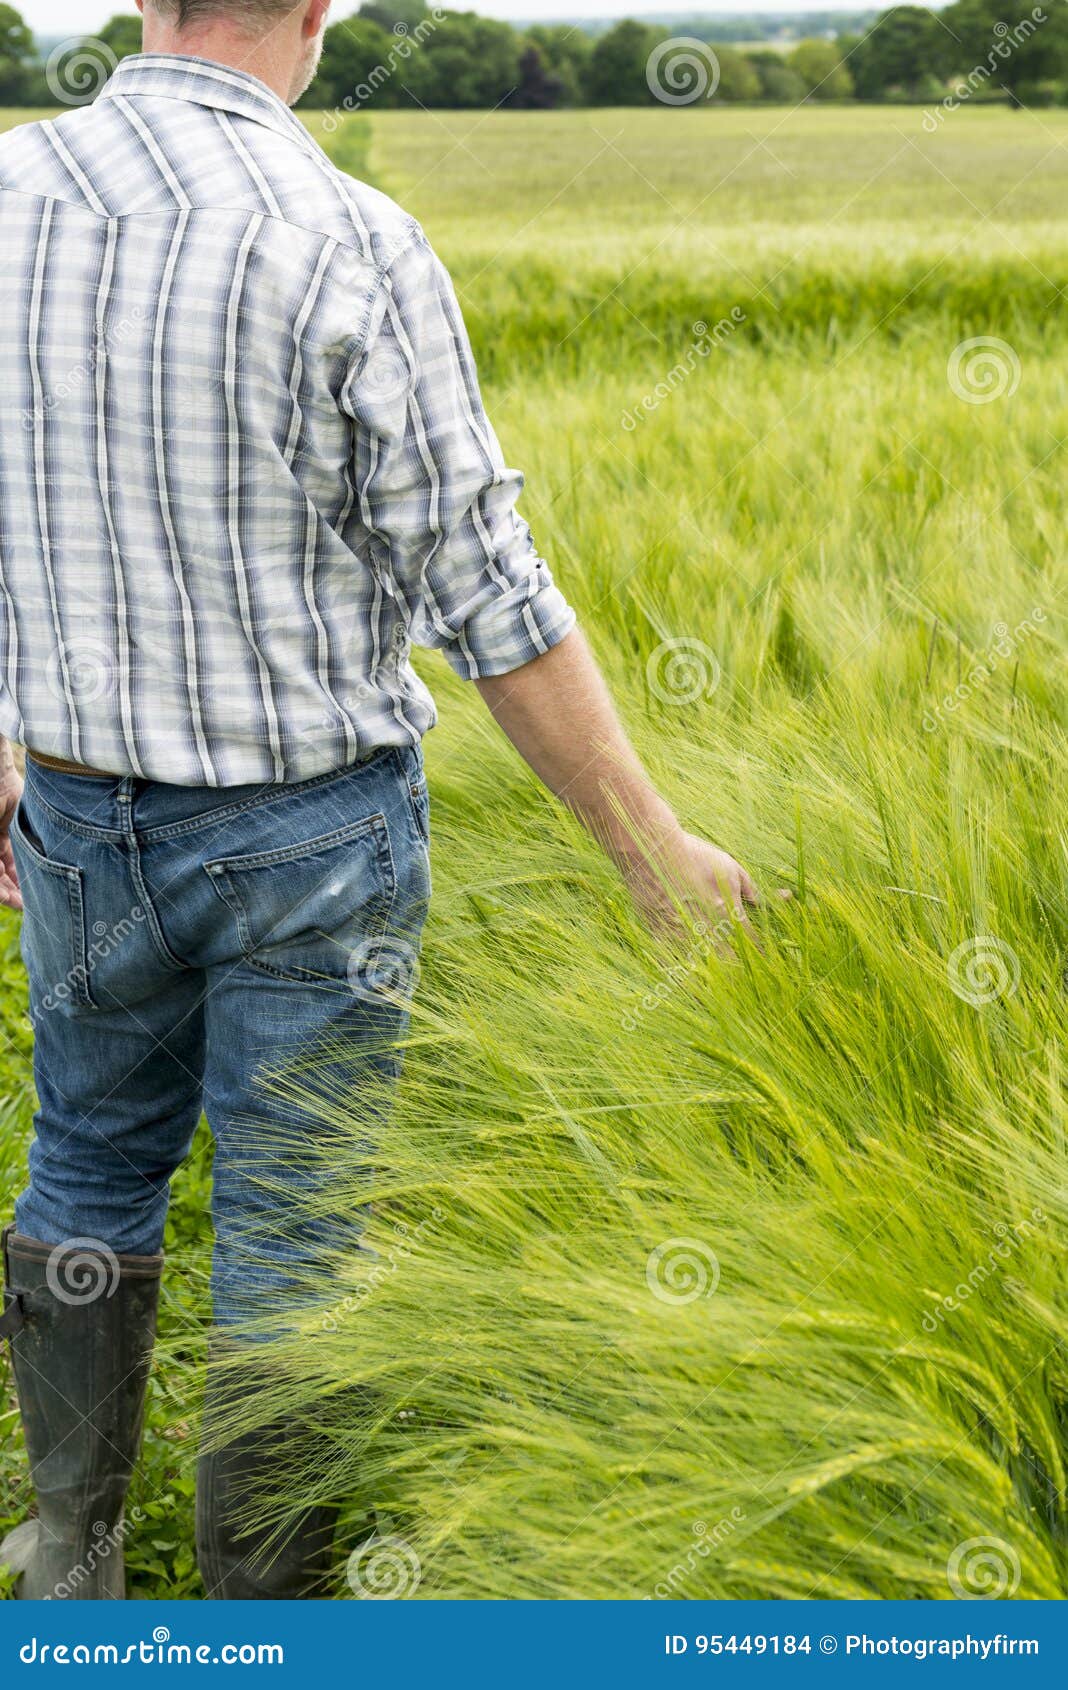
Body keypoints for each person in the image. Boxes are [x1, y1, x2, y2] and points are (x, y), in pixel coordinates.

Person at [0, 0, 760, 1600]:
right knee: (293, 1229)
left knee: (84, 1159)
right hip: (309, 841)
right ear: (315, 10)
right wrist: (653, 851)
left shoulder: (12, 196)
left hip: (73, 813)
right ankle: (259, 1616)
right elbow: (492, 598)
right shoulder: (345, 235)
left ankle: (73, 1548)